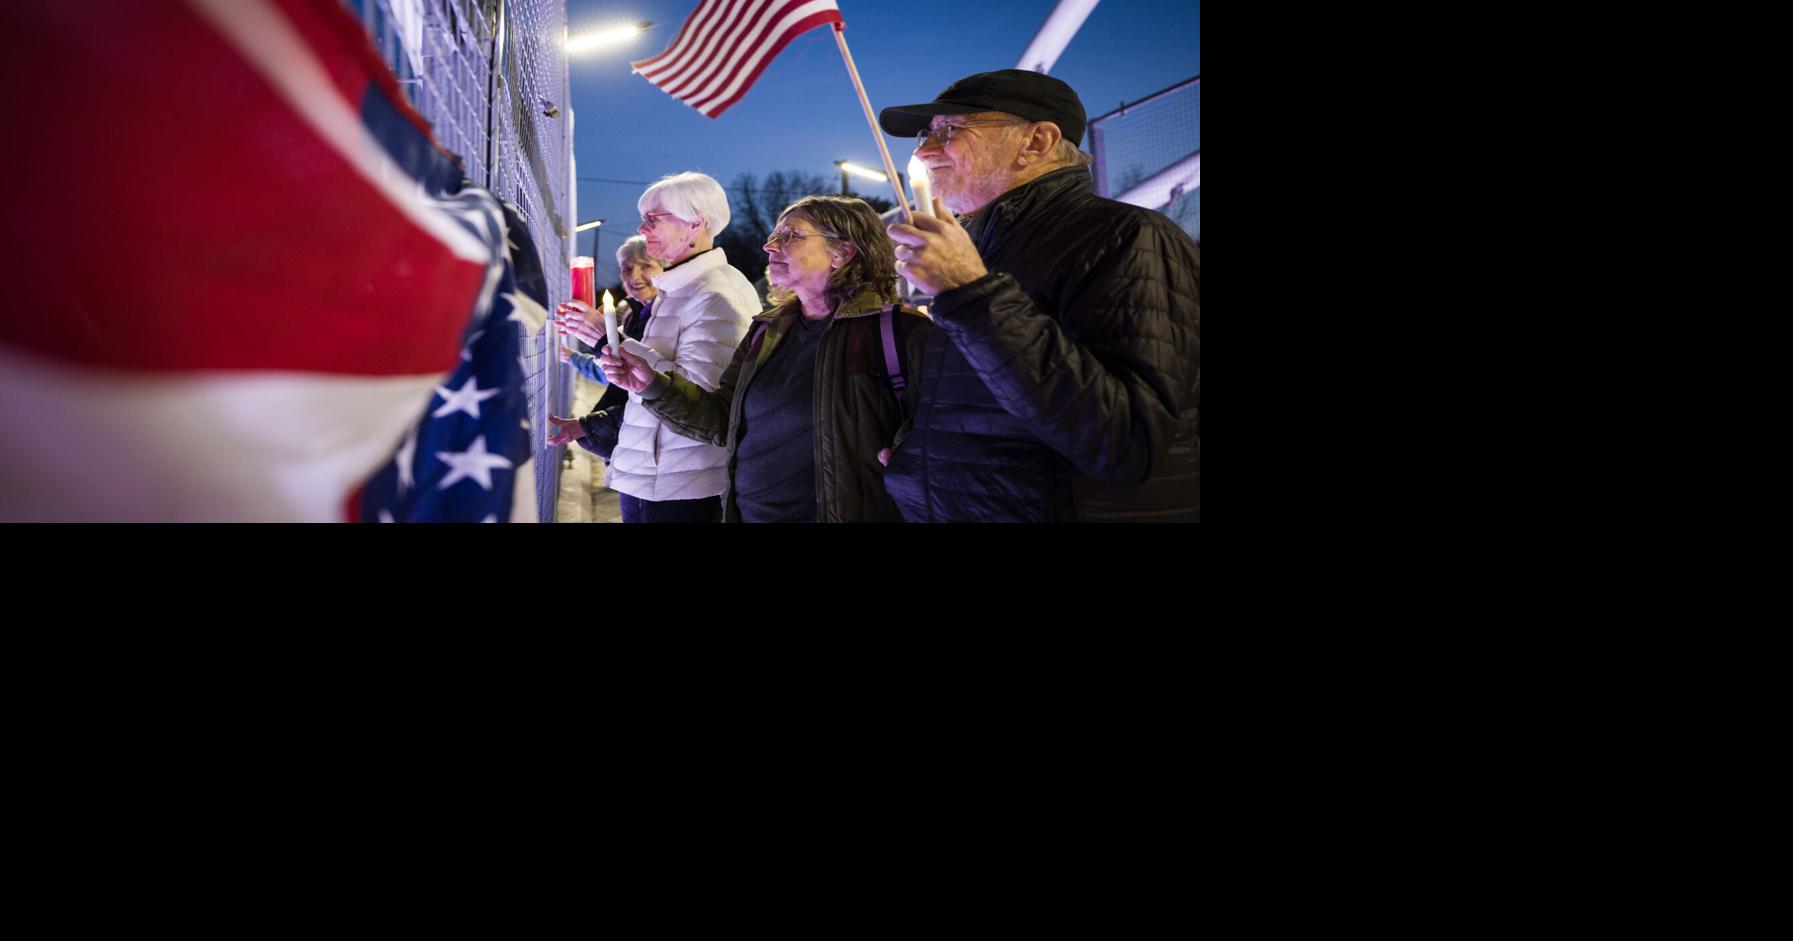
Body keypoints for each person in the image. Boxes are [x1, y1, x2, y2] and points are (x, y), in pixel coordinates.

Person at [878, 69, 1202, 522]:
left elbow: (1127, 443)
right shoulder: (980, 250)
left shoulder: (1128, 237)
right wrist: (919, 457)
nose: (922, 150)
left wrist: (970, 292)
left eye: (949, 130)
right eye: (925, 134)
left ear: (1036, 142)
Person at [599, 196, 930, 523]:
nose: (770, 246)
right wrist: (654, 386)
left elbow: (946, 433)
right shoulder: (767, 332)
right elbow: (723, 421)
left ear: (841, 252)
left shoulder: (898, 331)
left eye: (791, 236)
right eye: (774, 235)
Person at [548, 172, 757, 523]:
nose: (643, 229)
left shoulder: (715, 295)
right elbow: (651, 382)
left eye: (653, 219)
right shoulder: (680, 289)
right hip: (659, 473)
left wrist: (605, 337)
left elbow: (698, 396)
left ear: (695, 222)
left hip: (682, 482)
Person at [560, 236, 663, 388]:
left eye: (646, 266)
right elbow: (612, 373)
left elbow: (645, 376)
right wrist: (592, 343)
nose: (634, 276)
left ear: (665, 268)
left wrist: (599, 338)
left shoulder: (669, 313)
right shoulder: (627, 312)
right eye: (626, 269)